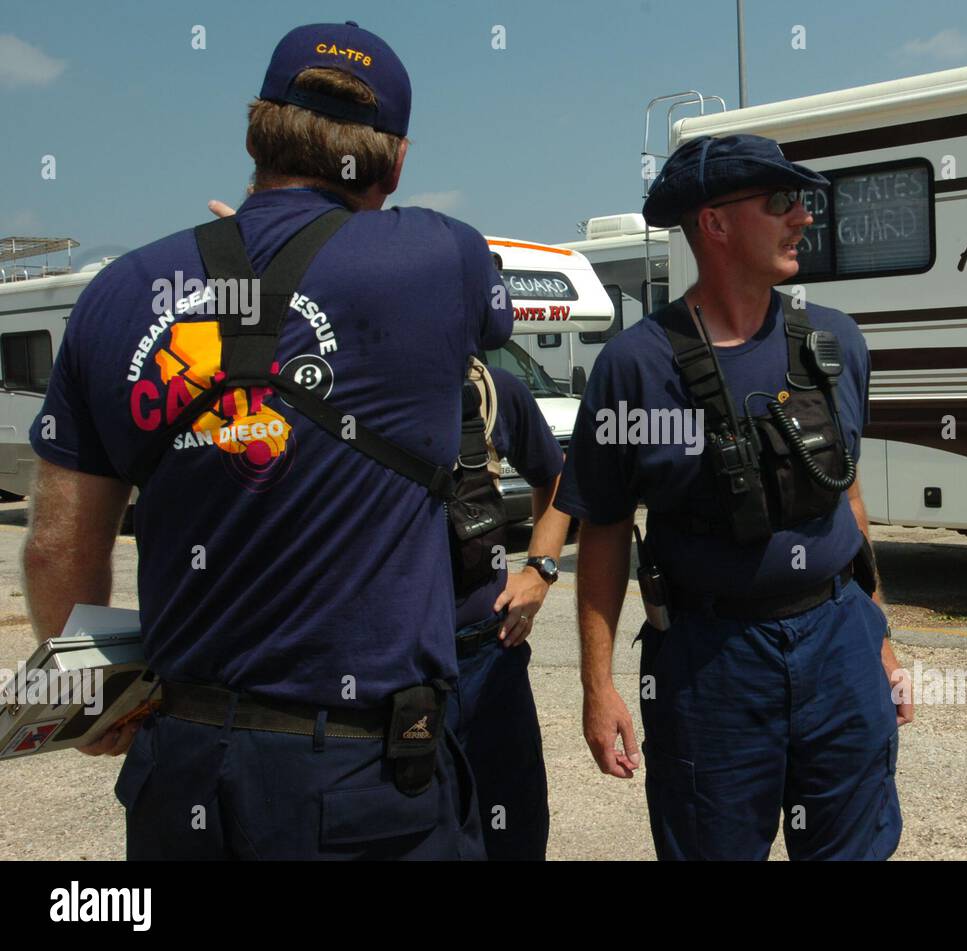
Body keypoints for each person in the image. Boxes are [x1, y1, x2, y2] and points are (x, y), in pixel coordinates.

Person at [21, 21, 512, 860]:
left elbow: (56, 540)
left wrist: (91, 692)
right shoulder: (443, 256)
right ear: (393, 162)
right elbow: (480, 334)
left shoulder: (118, 293)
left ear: (256, 134)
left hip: (183, 766)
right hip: (364, 780)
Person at [555, 134, 914, 861]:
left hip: (838, 639)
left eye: (801, 201)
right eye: (780, 201)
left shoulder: (837, 343)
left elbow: (846, 495)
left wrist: (880, 634)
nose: (803, 218)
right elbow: (602, 532)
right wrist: (599, 688)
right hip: (709, 662)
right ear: (714, 224)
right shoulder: (637, 367)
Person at [444, 361, 569, 861]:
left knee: (514, 836)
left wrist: (540, 569)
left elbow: (556, 475)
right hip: (390, 672)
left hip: (488, 658)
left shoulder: (489, 389)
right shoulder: (347, 380)